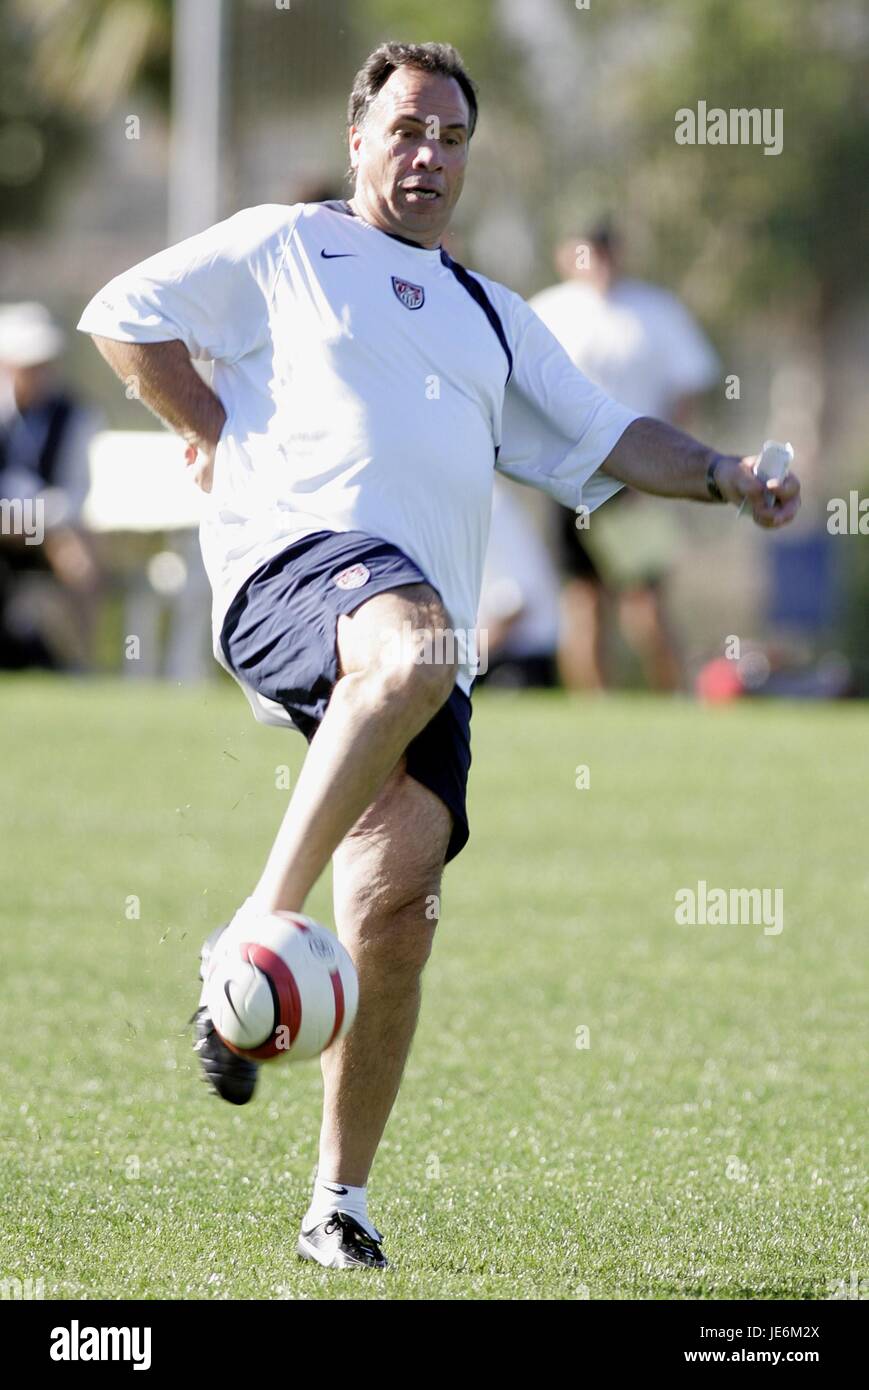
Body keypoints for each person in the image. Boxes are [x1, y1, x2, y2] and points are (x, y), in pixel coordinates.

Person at [78, 41, 800, 1270]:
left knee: (402, 900)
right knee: (411, 648)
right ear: (359, 136)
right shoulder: (285, 244)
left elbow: (608, 432)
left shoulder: (486, 313)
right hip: (297, 572)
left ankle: (336, 1205)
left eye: (450, 139)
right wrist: (205, 430)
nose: (427, 156)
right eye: (406, 130)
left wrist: (728, 476)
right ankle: (252, 928)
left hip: (414, 628)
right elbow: (123, 318)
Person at [530, 224, 720, 692]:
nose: (596, 260)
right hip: (570, 479)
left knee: (645, 604)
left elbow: (688, 387)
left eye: (604, 248)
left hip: (636, 478)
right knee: (583, 601)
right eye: (585, 250)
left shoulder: (653, 310)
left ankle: (675, 700)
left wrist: (662, 463)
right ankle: (595, 712)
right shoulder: (546, 311)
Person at [0, 303, 102, 669]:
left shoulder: (75, 416)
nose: (39, 374)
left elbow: (76, 493)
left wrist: (31, 519)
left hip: (46, 527)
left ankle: (81, 664)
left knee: (79, 555)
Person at [475, 477, 560, 688]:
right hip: (487, 654)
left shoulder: (491, 506)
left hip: (518, 659)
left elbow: (516, 601)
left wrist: (460, 661)